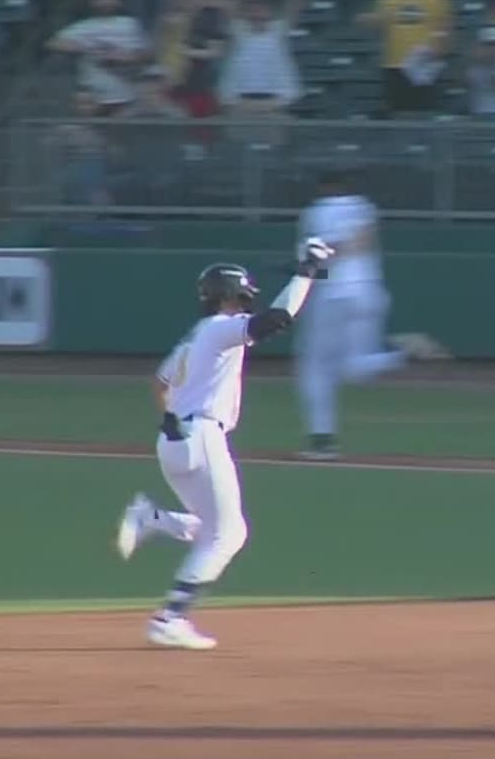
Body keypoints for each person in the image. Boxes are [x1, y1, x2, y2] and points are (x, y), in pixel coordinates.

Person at [113, 245, 335, 650]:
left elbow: (160, 383)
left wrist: (171, 416)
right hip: (202, 438)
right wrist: (305, 272)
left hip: (173, 442)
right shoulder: (220, 329)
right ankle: (170, 618)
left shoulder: (195, 337)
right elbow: (278, 319)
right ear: (232, 294)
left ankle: (151, 517)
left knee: (209, 529)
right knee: (229, 534)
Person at [294, 170, 450, 460]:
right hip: (369, 292)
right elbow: (360, 245)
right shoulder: (364, 207)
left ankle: (322, 441)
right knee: (356, 369)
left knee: (315, 368)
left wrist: (305, 270)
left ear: (324, 188)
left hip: (333, 296)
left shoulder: (317, 211)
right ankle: (406, 354)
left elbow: (320, 261)